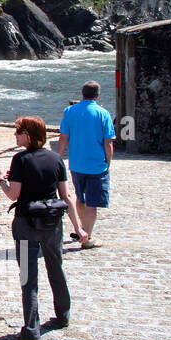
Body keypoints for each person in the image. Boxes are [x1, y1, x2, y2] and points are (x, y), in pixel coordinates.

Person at [0, 116, 88, 340]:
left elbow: (14, 195)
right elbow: (67, 196)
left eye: (18, 131)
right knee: (56, 267)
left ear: (29, 134)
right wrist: (78, 227)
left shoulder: (20, 160)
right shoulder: (56, 159)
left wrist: (1, 182)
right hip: (52, 223)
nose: (15, 135)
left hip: (27, 222)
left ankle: (30, 331)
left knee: (29, 277)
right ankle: (63, 314)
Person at [57, 80, 115, 249]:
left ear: (82, 94)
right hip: (96, 165)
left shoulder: (69, 111)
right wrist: (108, 162)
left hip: (76, 164)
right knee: (92, 203)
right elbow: (108, 143)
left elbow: (63, 138)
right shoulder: (103, 113)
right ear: (97, 96)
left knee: (80, 198)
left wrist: (57, 159)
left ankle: (81, 230)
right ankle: (87, 238)